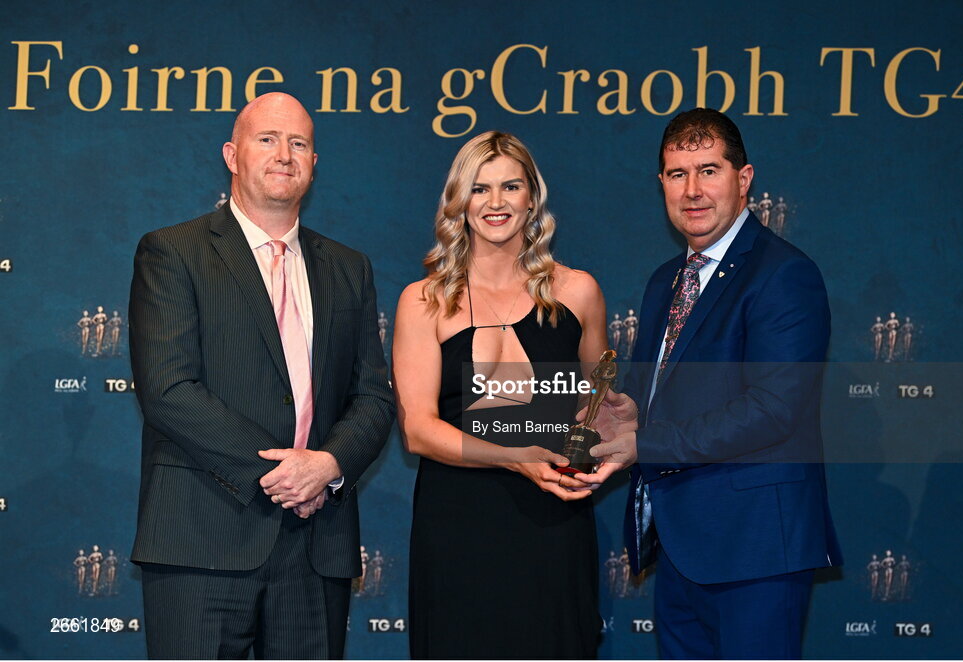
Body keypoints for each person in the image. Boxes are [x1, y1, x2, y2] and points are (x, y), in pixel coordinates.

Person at [129, 92, 394, 659]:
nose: (284, 154)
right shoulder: (172, 251)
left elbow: (373, 397)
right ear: (232, 154)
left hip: (315, 546)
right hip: (201, 540)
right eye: (267, 139)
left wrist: (325, 466)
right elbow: (170, 391)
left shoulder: (349, 268)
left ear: (315, 163)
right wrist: (280, 472)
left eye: (299, 143)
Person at [576, 108, 841, 659]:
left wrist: (641, 444)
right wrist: (627, 413)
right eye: (677, 174)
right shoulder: (664, 281)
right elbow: (662, 395)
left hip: (757, 549)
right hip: (680, 543)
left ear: (744, 180)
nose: (692, 190)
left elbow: (772, 410)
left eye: (709, 170)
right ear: (661, 185)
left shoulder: (784, 274)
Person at [393, 131, 606, 659]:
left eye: (510, 186)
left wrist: (595, 448)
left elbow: (599, 404)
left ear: (532, 197)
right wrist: (516, 459)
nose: (495, 202)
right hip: (459, 528)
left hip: (552, 522)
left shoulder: (578, 291)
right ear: (459, 202)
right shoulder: (423, 302)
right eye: (479, 188)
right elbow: (418, 430)